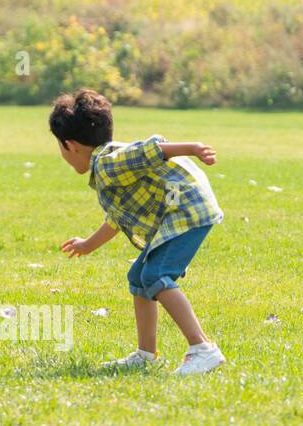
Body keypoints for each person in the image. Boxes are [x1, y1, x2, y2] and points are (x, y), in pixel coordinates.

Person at [49, 88, 226, 375]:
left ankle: (203, 349)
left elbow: (151, 150)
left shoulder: (108, 162)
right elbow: (117, 217)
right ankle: (146, 354)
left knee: (156, 276)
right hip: (181, 208)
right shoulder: (107, 165)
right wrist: (88, 244)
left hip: (188, 210)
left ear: (70, 145)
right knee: (139, 277)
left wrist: (193, 147)